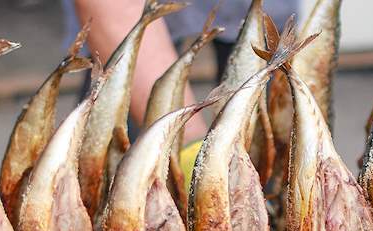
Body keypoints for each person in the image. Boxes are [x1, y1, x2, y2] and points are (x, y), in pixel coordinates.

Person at [67, 0, 295, 146]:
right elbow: (115, 8)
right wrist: (186, 146)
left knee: (263, 168)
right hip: (137, 20)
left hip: (263, 16)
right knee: (116, 178)